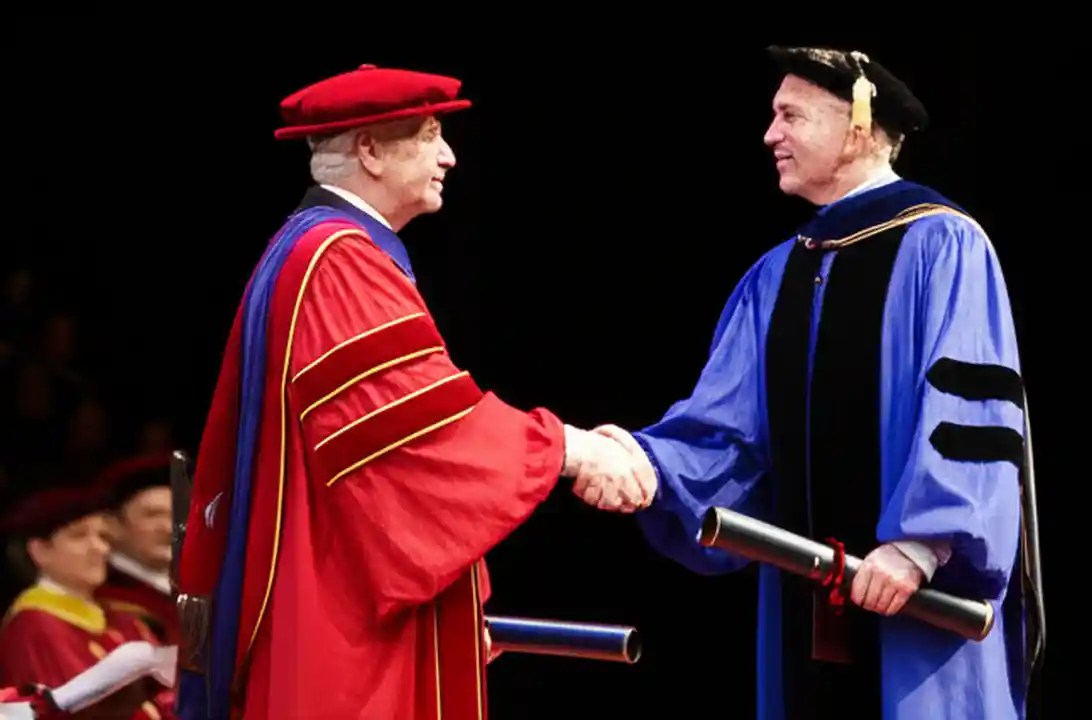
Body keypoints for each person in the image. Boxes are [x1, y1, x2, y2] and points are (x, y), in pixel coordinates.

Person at [575, 46, 1044, 719]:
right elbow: (725, 431)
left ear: (857, 127)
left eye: (790, 115)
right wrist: (641, 462)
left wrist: (919, 547)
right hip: (808, 608)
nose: (771, 134)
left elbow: (972, 417)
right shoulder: (778, 274)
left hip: (919, 604)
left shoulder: (945, 245)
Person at [172, 63, 651, 720]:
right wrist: (571, 450)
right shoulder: (337, 260)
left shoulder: (304, 249)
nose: (449, 157)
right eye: (429, 136)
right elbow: (419, 439)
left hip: (326, 592)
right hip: (341, 625)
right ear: (370, 149)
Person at [0, 485, 175, 719]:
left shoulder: (124, 618)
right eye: (79, 536)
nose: (100, 548)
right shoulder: (34, 626)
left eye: (103, 536)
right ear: (39, 550)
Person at [93, 453, 180, 645]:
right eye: (152, 515)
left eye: (178, 515)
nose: (168, 528)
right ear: (113, 526)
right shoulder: (98, 598)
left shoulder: (197, 591)